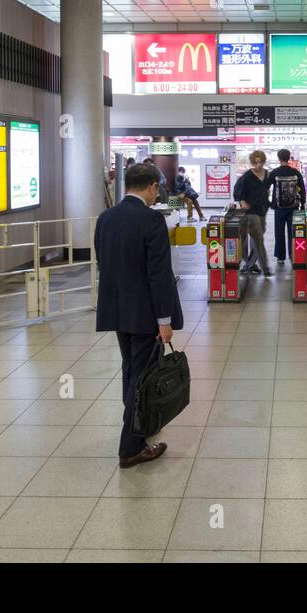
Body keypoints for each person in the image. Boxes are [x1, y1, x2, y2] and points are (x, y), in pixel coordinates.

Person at [94, 162, 183, 469]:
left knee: (132, 368)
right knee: (142, 375)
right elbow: (158, 274)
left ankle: (138, 419)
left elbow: (102, 262)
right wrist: (164, 320)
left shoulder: (105, 218)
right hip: (145, 312)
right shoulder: (151, 220)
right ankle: (131, 447)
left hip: (116, 309)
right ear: (152, 187)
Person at [232, 150, 272, 276]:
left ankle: (250, 264)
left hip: (262, 211)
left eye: (260, 162)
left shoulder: (267, 174)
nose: (258, 165)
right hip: (250, 212)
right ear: (252, 162)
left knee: (257, 239)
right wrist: (242, 201)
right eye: (256, 162)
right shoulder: (247, 176)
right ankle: (258, 266)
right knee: (255, 239)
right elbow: (238, 190)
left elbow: (266, 189)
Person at [266, 148, 306, 266]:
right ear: (289, 158)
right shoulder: (296, 173)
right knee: (293, 232)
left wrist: (268, 202)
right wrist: (303, 204)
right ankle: (293, 255)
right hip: (293, 207)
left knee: (279, 232)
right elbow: (302, 189)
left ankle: (280, 257)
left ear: (279, 158)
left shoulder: (274, 172)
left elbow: (265, 187)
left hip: (279, 208)